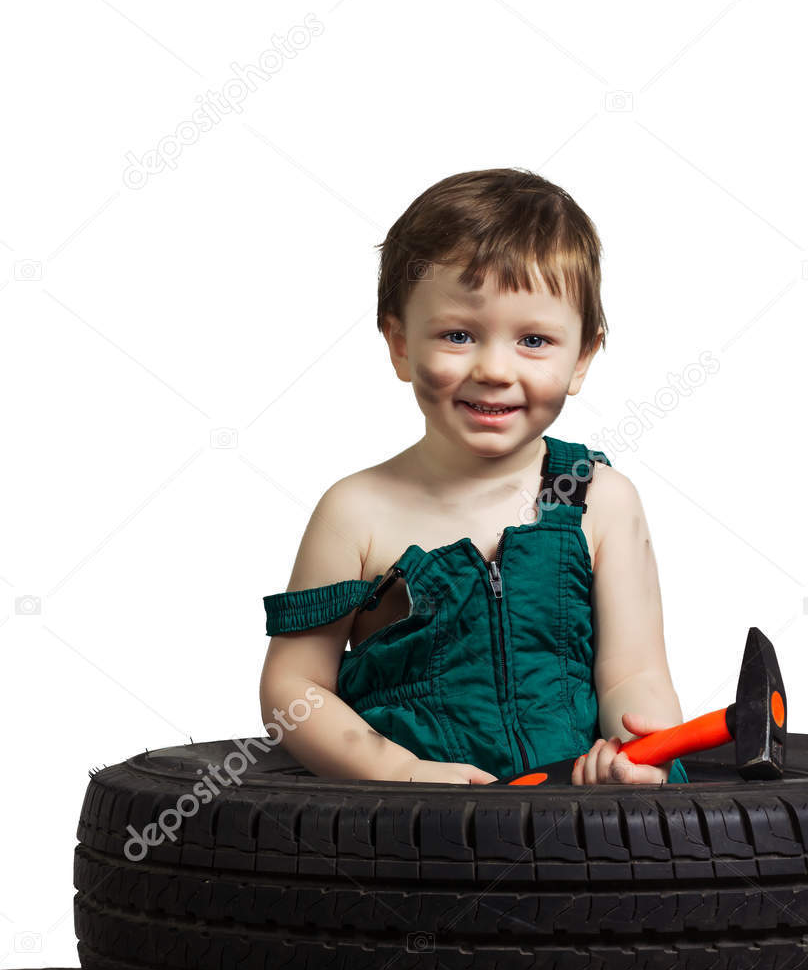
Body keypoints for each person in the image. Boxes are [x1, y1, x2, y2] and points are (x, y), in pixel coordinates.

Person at [259, 167, 689, 787]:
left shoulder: (602, 500)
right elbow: (294, 688)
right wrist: (402, 773)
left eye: (534, 340)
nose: (493, 368)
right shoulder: (356, 510)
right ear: (400, 345)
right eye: (458, 335)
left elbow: (635, 673)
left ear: (582, 358)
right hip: (409, 835)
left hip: (581, 825)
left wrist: (632, 751)